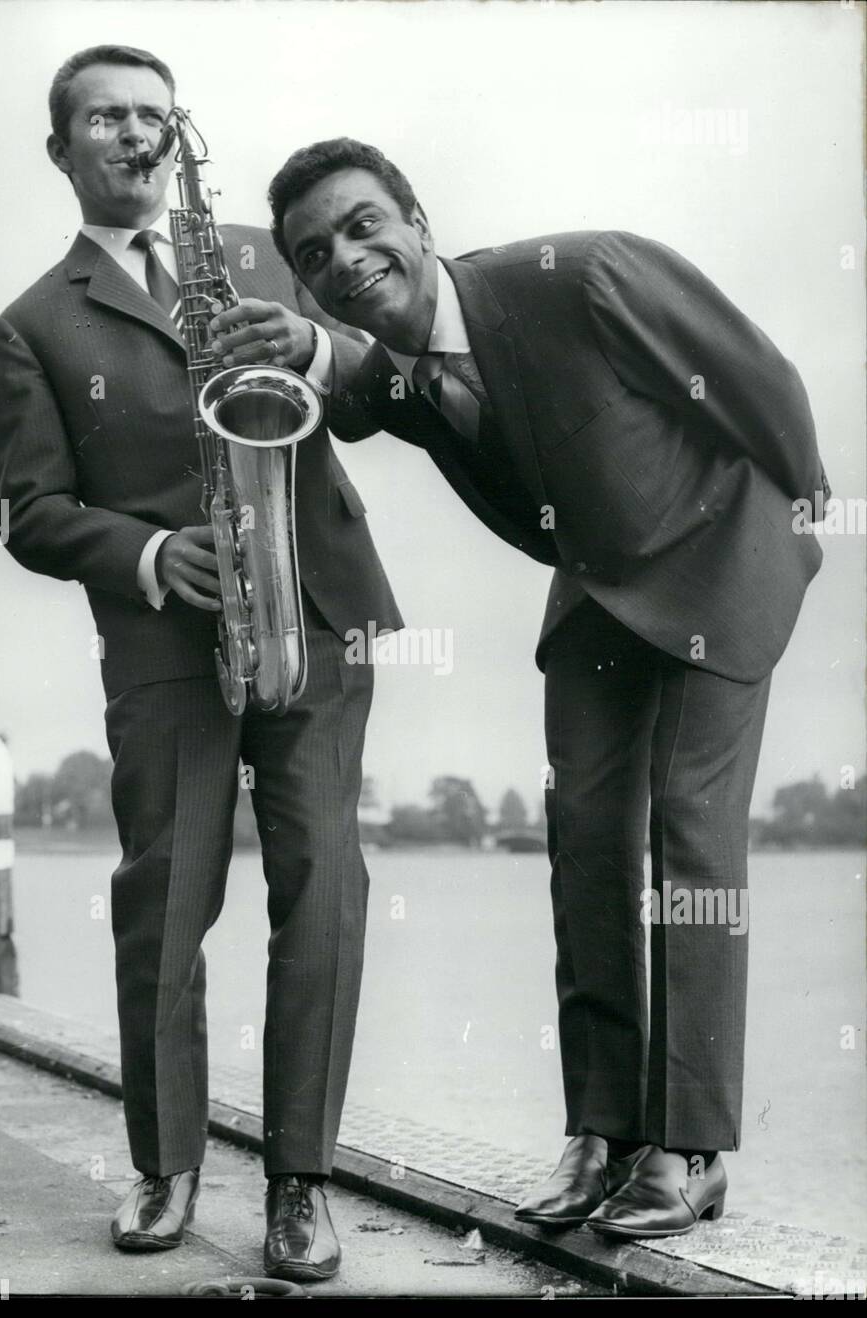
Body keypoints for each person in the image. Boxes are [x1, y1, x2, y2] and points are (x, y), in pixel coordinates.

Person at [211, 136, 828, 1239]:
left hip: (720, 558)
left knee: (688, 834)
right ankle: (600, 1133)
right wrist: (307, 344)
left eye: (363, 225)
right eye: (314, 254)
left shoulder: (583, 275)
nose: (346, 257)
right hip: (599, 586)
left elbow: (760, 379)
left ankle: (687, 1151)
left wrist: (795, 520)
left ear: (417, 223)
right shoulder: (395, 362)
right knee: (583, 834)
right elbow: (364, 392)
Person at [0, 60, 401, 1282]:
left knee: (322, 885)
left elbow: (385, 380)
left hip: (313, 609)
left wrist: (320, 344)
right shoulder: (30, 321)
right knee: (164, 897)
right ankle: (165, 1167)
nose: (136, 129)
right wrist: (152, 550)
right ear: (61, 147)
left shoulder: (274, 255)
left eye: (151, 110)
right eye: (106, 113)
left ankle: (298, 1186)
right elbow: (29, 512)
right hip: (168, 631)